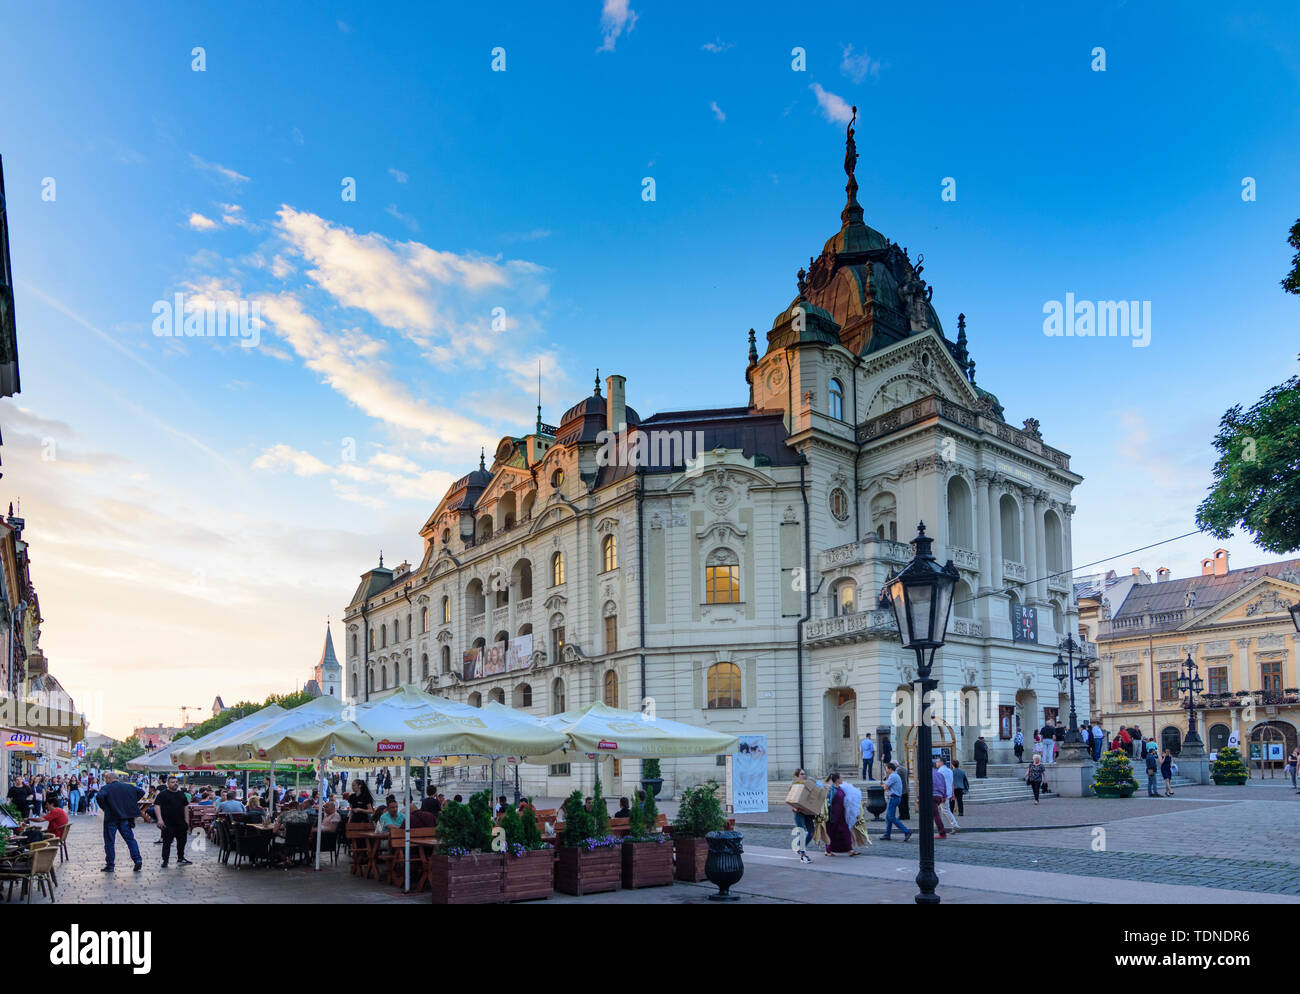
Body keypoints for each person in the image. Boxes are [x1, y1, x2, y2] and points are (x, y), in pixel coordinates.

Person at [96, 771, 145, 872]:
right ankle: (137, 859)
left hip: (111, 817)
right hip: (125, 817)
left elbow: (99, 796)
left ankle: (110, 865)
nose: (105, 781)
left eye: (106, 779)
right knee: (130, 839)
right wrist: (130, 801)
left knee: (109, 842)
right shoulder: (129, 786)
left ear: (109, 778)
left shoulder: (106, 788)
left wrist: (105, 807)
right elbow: (141, 792)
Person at [153, 776, 192, 867]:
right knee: (167, 842)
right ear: (168, 784)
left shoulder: (181, 794)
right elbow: (157, 806)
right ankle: (165, 860)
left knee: (182, 842)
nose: (175, 783)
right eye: (172, 782)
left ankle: (181, 858)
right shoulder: (163, 794)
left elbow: (186, 807)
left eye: (176, 782)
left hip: (181, 822)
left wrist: (187, 821)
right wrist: (159, 819)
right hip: (167, 823)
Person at [823, 773, 856, 855]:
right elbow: (827, 800)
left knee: (845, 831)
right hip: (833, 815)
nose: (843, 779)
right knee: (830, 832)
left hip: (841, 814)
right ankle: (827, 850)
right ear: (837, 779)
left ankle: (850, 850)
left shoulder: (841, 788)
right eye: (841, 778)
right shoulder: (831, 789)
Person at [789, 768, 818, 862]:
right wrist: (794, 808)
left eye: (804, 774)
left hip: (807, 813)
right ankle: (803, 855)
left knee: (812, 832)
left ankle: (799, 847)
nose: (803, 776)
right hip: (799, 813)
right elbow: (790, 800)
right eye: (801, 774)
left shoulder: (807, 786)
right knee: (801, 832)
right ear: (797, 776)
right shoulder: (793, 786)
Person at [880, 762, 911, 842]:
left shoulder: (892, 776)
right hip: (895, 798)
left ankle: (906, 831)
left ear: (890, 769)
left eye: (886, 768)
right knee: (888, 818)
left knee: (891, 817)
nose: (886, 770)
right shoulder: (895, 775)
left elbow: (885, 787)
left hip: (893, 798)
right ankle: (887, 834)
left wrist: (883, 785)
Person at [930, 759, 950, 839]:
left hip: (932, 795)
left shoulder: (928, 774)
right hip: (939, 796)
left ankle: (942, 833)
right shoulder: (939, 774)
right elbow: (944, 785)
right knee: (933, 813)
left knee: (935, 815)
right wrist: (944, 796)